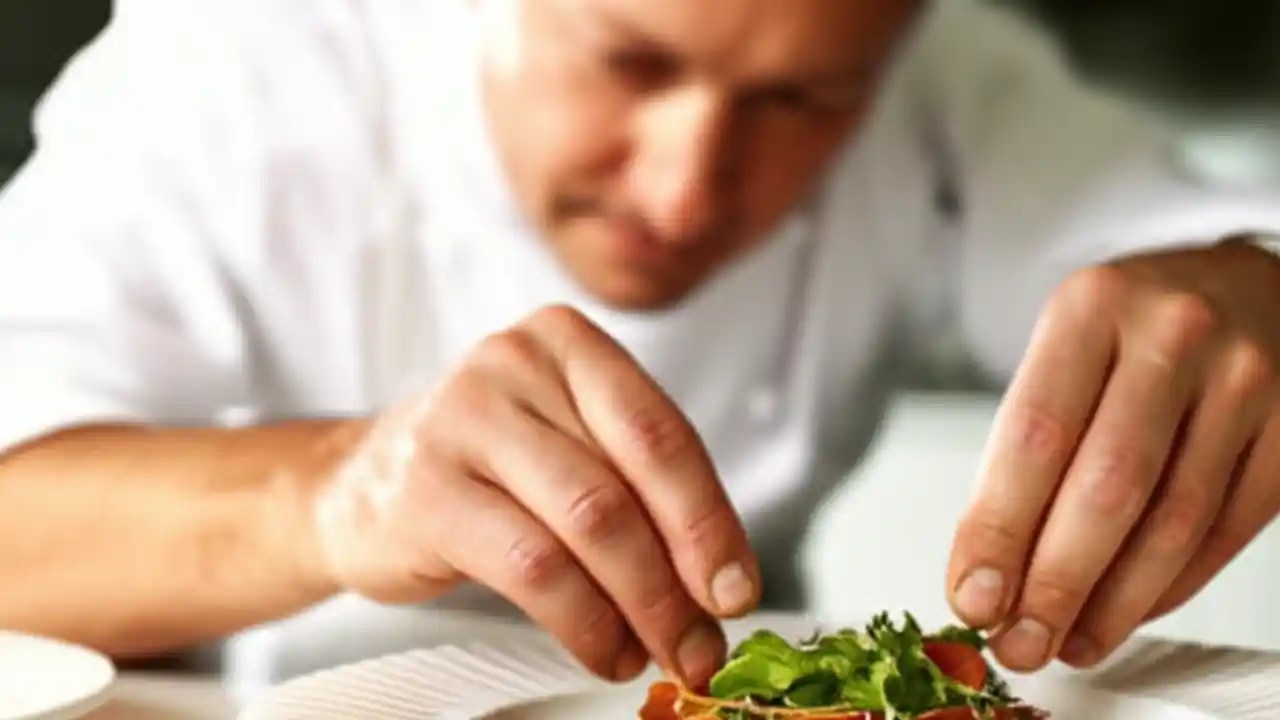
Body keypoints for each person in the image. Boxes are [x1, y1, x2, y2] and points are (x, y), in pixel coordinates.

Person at [1, 0, 1278, 689]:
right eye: (627, 60)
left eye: (801, 102)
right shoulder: (232, 58)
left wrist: (1250, 295)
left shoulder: (951, 70)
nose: (684, 194)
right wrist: (335, 493)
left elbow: (1212, 281)